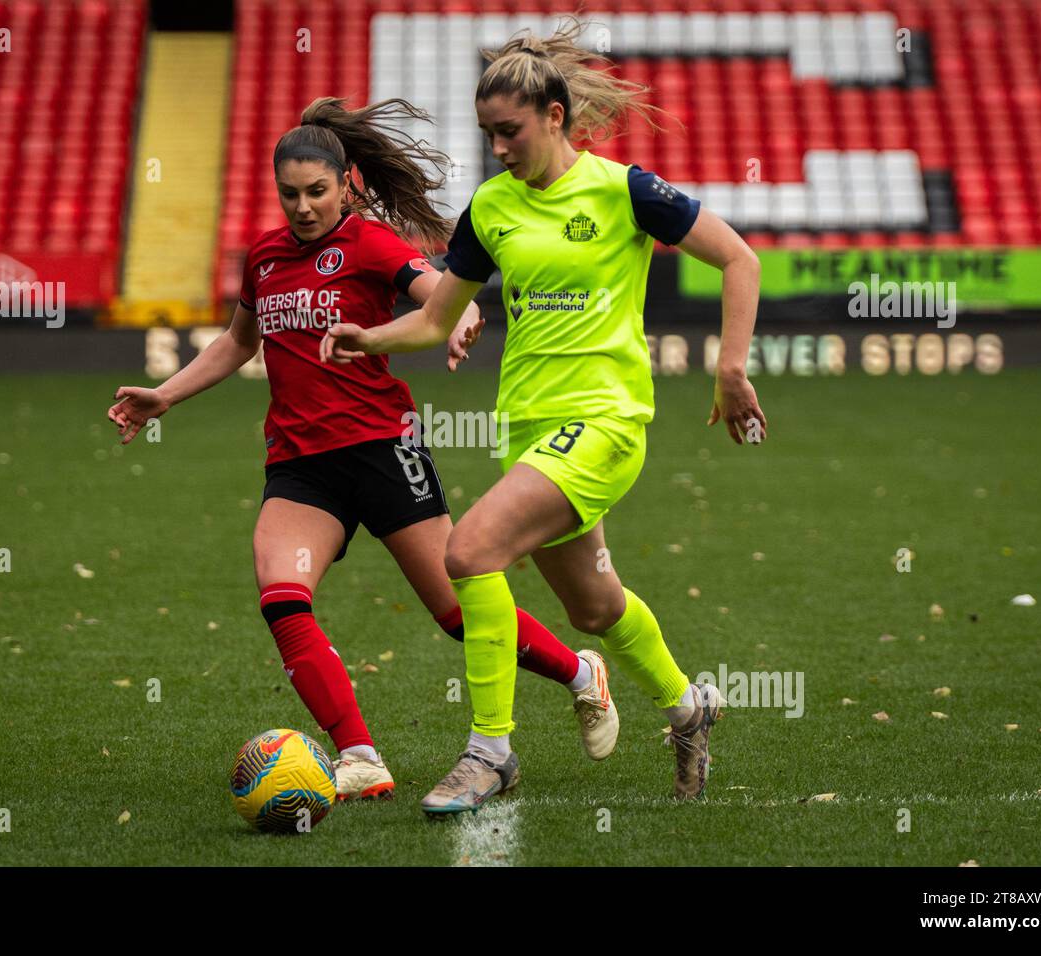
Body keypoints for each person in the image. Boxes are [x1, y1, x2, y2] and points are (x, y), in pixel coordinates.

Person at [107, 95, 619, 802]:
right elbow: (237, 343)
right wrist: (167, 395)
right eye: (290, 194)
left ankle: (579, 673)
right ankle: (359, 754)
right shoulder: (263, 255)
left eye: (317, 191)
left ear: (347, 183)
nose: (304, 206)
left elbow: (438, 290)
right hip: (299, 463)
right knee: (282, 596)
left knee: (454, 612)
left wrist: (463, 313)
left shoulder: (370, 243)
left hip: (383, 448)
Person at [322, 19, 767, 815]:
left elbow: (740, 257)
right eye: (488, 133)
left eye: (510, 130)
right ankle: (689, 706)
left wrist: (730, 368)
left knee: (470, 551)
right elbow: (434, 320)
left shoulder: (625, 190)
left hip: (605, 423)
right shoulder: (490, 209)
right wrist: (371, 335)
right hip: (529, 431)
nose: (498, 147)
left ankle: (489, 751)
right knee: (596, 608)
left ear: (555, 116)